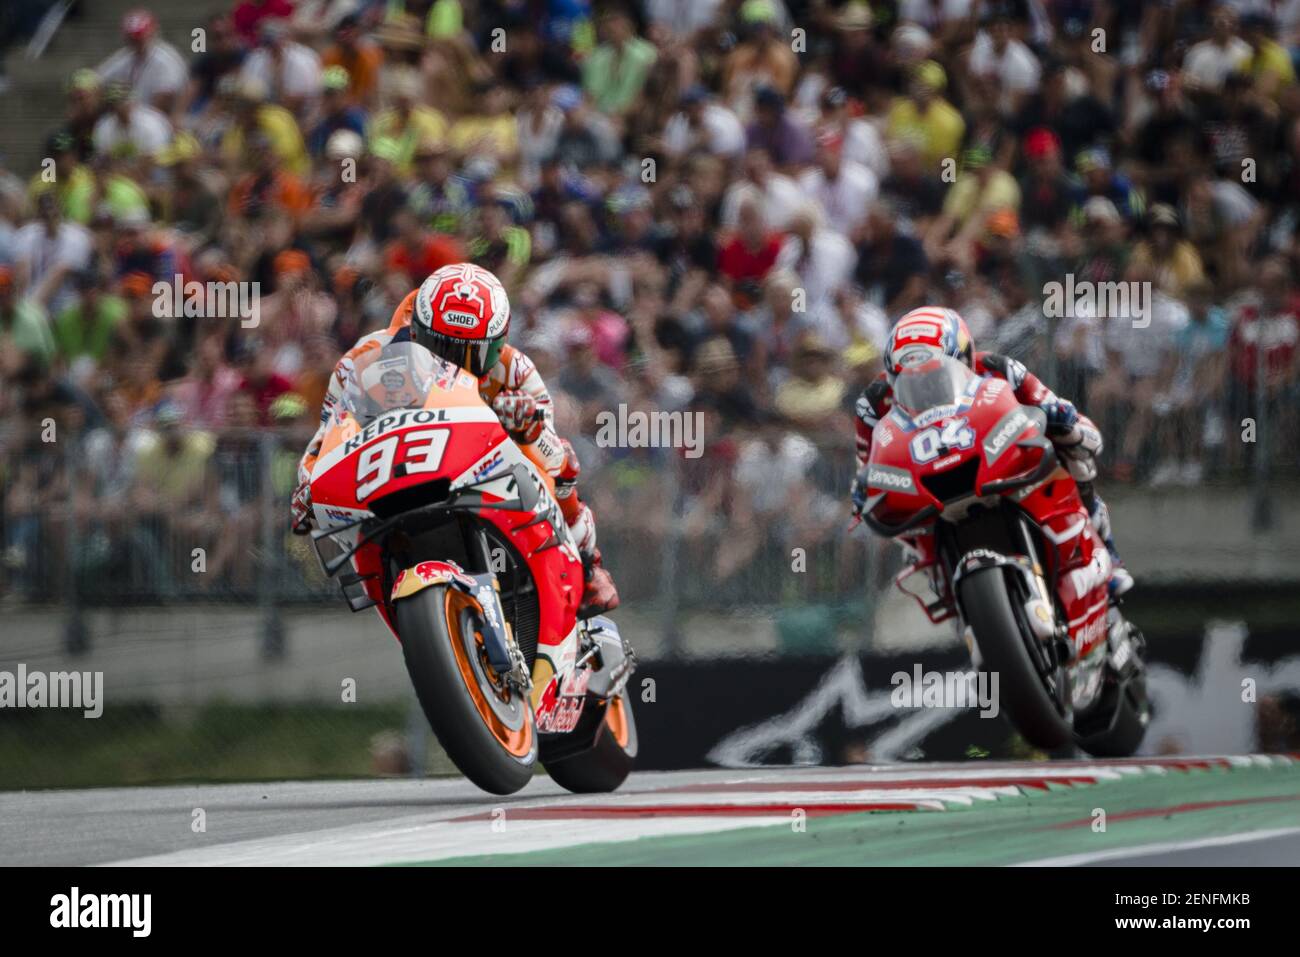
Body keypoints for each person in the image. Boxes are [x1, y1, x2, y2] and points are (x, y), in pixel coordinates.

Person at [290, 263, 620, 616]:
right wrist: (310, 484)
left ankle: (589, 566)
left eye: (471, 352)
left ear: (498, 342)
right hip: (399, 470)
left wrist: (528, 426)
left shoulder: (515, 369)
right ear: (417, 333)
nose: (456, 364)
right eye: (442, 349)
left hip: (483, 466)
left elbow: (550, 444)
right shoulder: (361, 361)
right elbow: (328, 436)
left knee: (563, 461)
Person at [848, 306, 1133, 597]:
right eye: (907, 377)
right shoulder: (873, 404)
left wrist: (1063, 420)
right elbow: (868, 468)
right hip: (927, 481)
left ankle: (1107, 553)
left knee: (1076, 449)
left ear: (963, 356)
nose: (923, 385)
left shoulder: (999, 367)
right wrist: (862, 492)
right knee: (885, 513)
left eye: (934, 374)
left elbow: (1050, 403)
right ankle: (941, 576)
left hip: (992, 457)